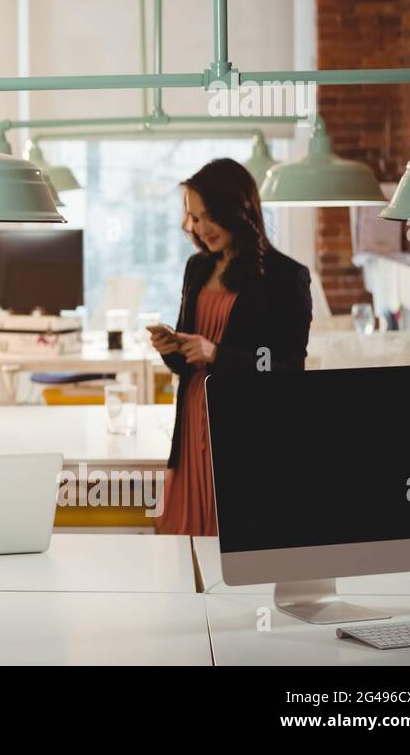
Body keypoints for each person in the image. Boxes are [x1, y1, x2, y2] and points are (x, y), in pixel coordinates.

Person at [149, 157, 311, 536]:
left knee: (234, 546)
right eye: (194, 217)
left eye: (209, 216)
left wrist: (217, 353)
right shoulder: (197, 268)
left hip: (244, 435)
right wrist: (171, 347)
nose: (200, 228)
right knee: (184, 547)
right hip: (192, 425)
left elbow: (287, 369)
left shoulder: (286, 277)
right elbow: (187, 362)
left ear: (239, 211)